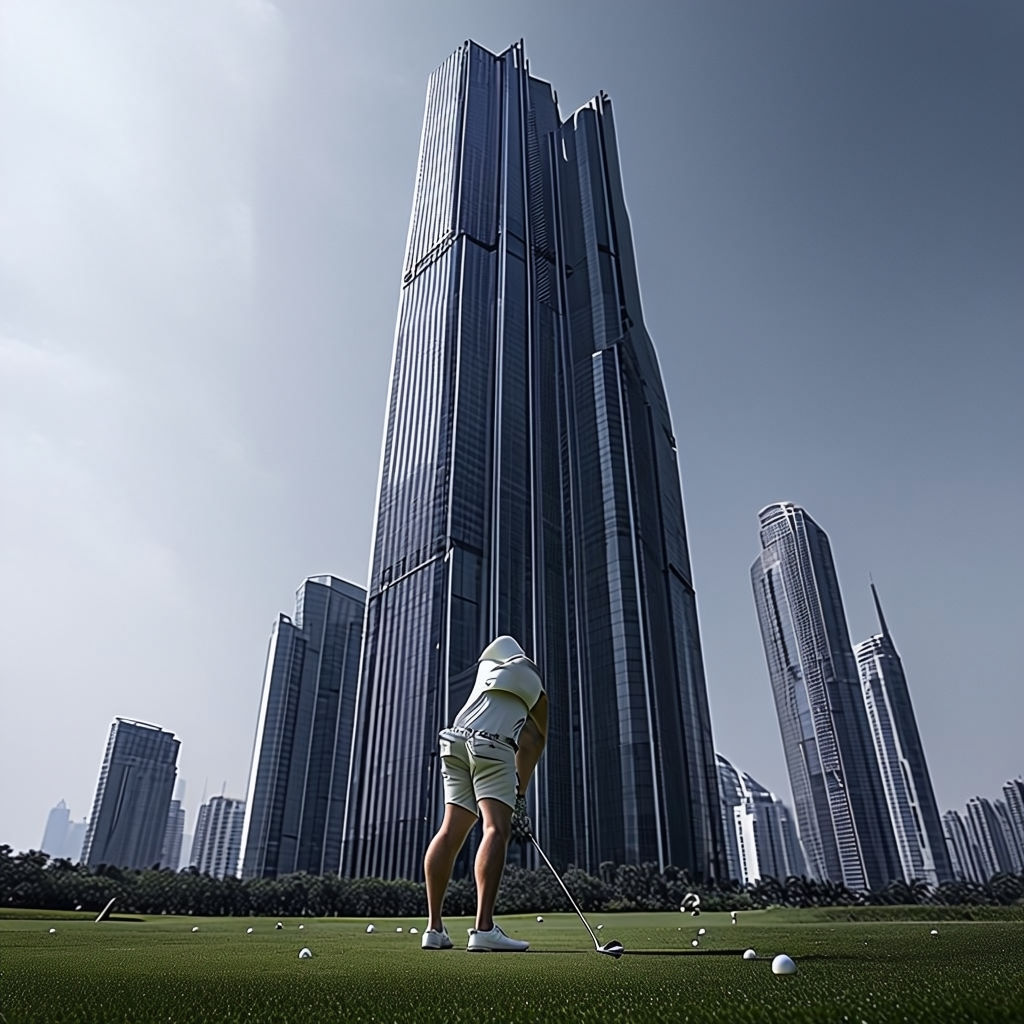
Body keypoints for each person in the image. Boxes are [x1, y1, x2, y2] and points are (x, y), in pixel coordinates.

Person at [421, 635, 548, 952]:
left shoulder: (489, 665)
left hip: (455, 741)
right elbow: (533, 742)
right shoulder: (538, 690)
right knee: (495, 828)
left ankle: (434, 929)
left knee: (449, 831)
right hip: (493, 746)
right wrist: (521, 794)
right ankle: (483, 928)